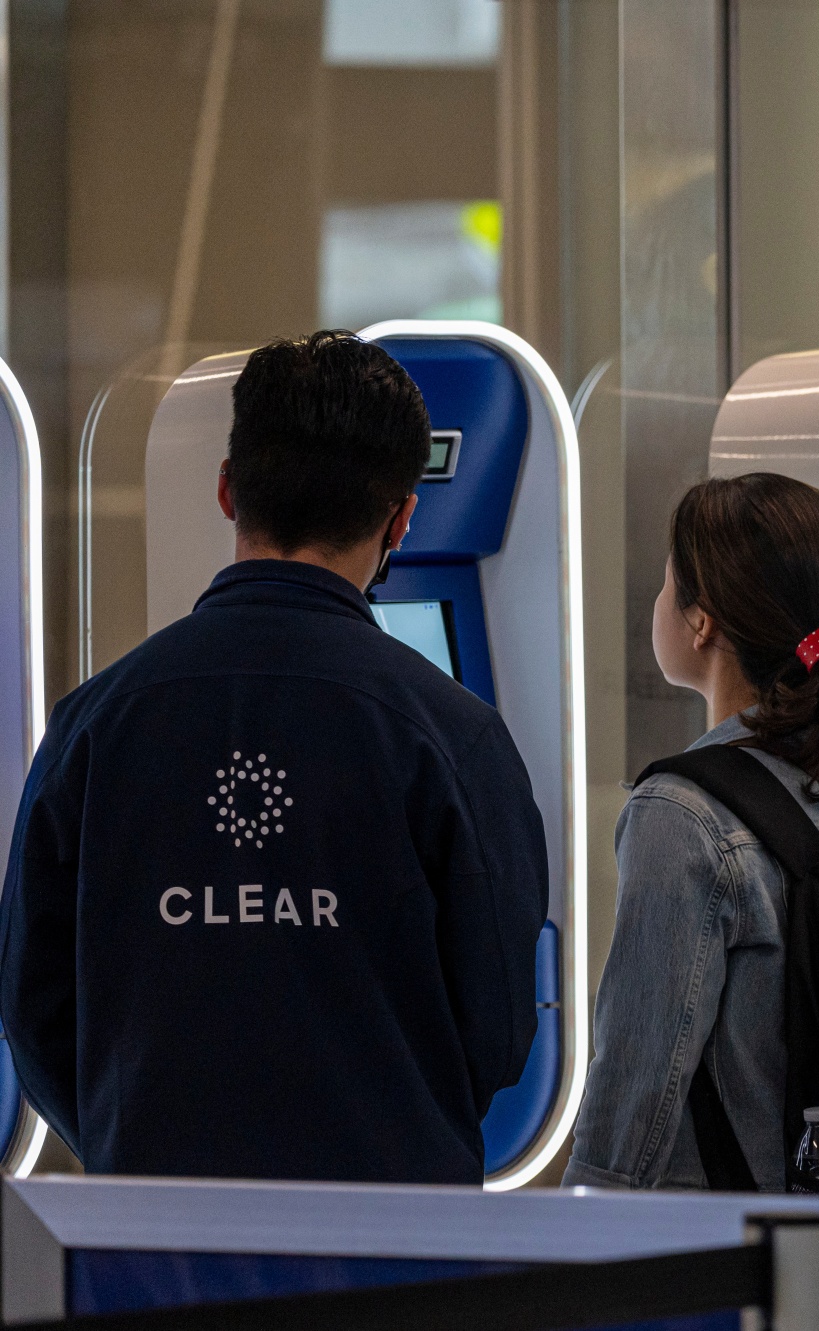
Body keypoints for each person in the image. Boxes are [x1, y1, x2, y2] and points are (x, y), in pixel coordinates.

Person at [0, 331, 548, 1183]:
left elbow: (32, 1003)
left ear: (227, 489)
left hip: (152, 1257)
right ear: (404, 516)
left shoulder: (94, 728)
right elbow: (502, 1018)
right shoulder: (454, 734)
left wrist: (132, 1130)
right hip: (399, 1253)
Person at [564, 472, 819, 1190]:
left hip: (732, 1256)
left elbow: (635, 1097)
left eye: (667, 584)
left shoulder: (681, 814)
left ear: (702, 621)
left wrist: (576, 1253)